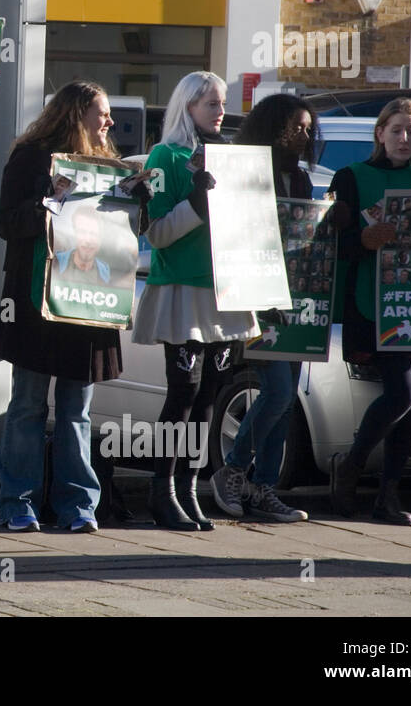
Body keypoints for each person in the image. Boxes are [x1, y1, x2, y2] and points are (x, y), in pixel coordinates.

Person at [0, 80, 143, 533]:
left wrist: (140, 200)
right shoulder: (32, 158)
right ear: (76, 114)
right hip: (38, 300)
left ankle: (78, 505)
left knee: (77, 408)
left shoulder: (107, 167)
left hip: (89, 303)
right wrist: (49, 202)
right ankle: (17, 502)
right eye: (102, 113)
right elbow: (6, 223)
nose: (110, 122)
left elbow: (127, 235)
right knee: (28, 405)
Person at [132, 71, 258, 531]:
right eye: (210, 103)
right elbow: (157, 232)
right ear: (187, 107)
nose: (220, 111)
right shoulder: (167, 156)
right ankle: (161, 491)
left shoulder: (229, 157)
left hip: (225, 292)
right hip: (184, 290)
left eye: (222, 103)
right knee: (182, 393)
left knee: (208, 396)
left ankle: (189, 488)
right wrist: (199, 205)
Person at [328, 98, 411, 526]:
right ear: (380, 133)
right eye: (397, 130)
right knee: (403, 393)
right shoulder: (352, 178)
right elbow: (331, 245)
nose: (405, 138)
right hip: (370, 303)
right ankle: (352, 465)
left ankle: (387, 497)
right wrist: (364, 240)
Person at [209, 93, 318, 523]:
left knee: (287, 398)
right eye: (296, 126)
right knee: (274, 390)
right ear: (274, 126)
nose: (303, 136)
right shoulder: (246, 168)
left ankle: (263, 487)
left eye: (309, 129)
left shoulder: (302, 178)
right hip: (254, 291)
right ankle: (232, 470)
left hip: (293, 297)